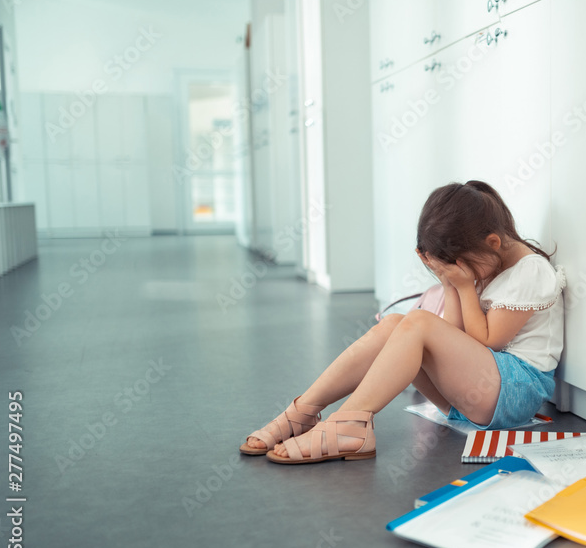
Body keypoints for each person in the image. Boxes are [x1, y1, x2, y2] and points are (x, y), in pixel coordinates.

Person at [239, 180, 566, 464]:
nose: (463, 276)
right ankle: (304, 411)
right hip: (479, 391)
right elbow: (455, 336)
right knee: (396, 322)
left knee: (419, 323)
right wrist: (451, 283)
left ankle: (350, 425)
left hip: (515, 392)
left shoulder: (529, 270)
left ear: (493, 243)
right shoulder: (486, 262)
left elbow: (489, 341)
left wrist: (464, 285)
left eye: (461, 267)